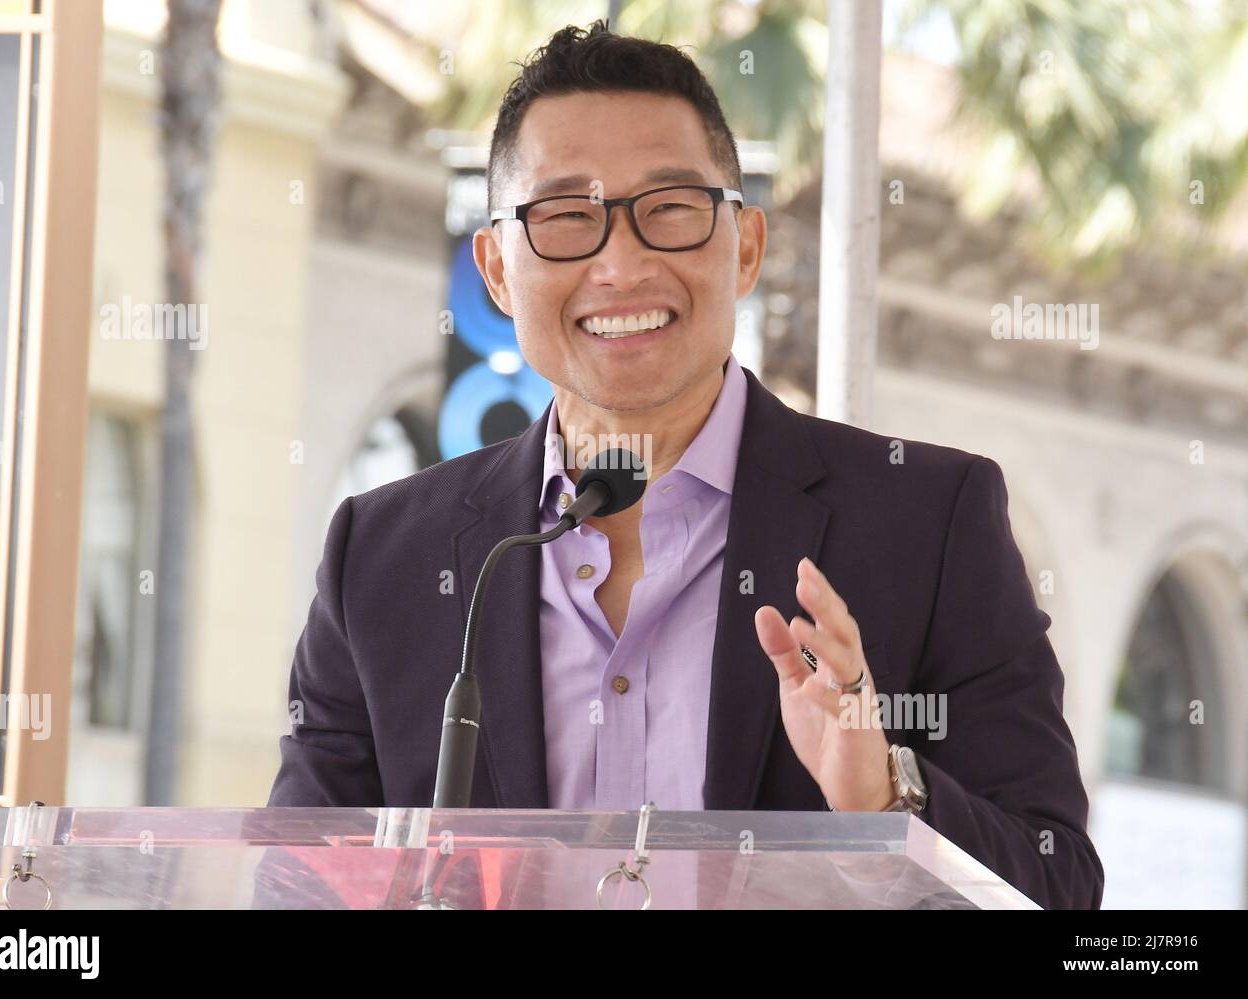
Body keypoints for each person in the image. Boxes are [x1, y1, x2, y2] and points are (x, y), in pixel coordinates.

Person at [268, 20, 1104, 910]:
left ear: (744, 244)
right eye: (565, 219)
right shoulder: (385, 557)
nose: (621, 265)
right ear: (497, 272)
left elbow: (1055, 885)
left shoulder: (929, 523)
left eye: (668, 209)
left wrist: (885, 800)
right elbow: (295, 885)